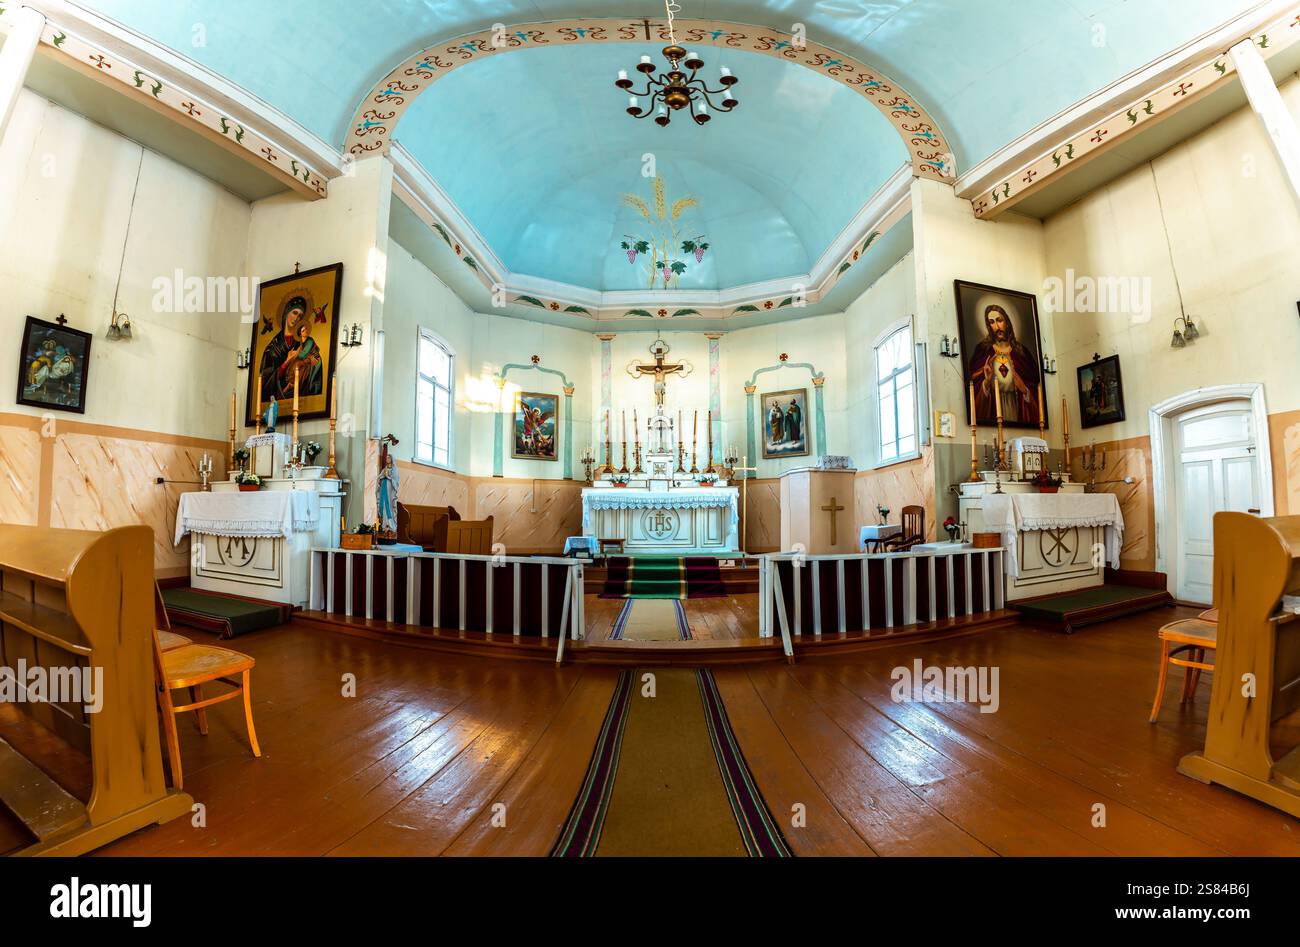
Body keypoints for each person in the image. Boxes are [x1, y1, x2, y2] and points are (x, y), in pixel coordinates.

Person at [967, 303, 1040, 423]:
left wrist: (1025, 389)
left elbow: (1035, 384)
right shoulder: (982, 350)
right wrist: (986, 381)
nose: (996, 326)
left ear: (1007, 322)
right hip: (993, 409)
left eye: (999, 320)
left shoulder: (1022, 352)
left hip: (1018, 408)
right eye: (991, 322)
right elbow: (972, 383)